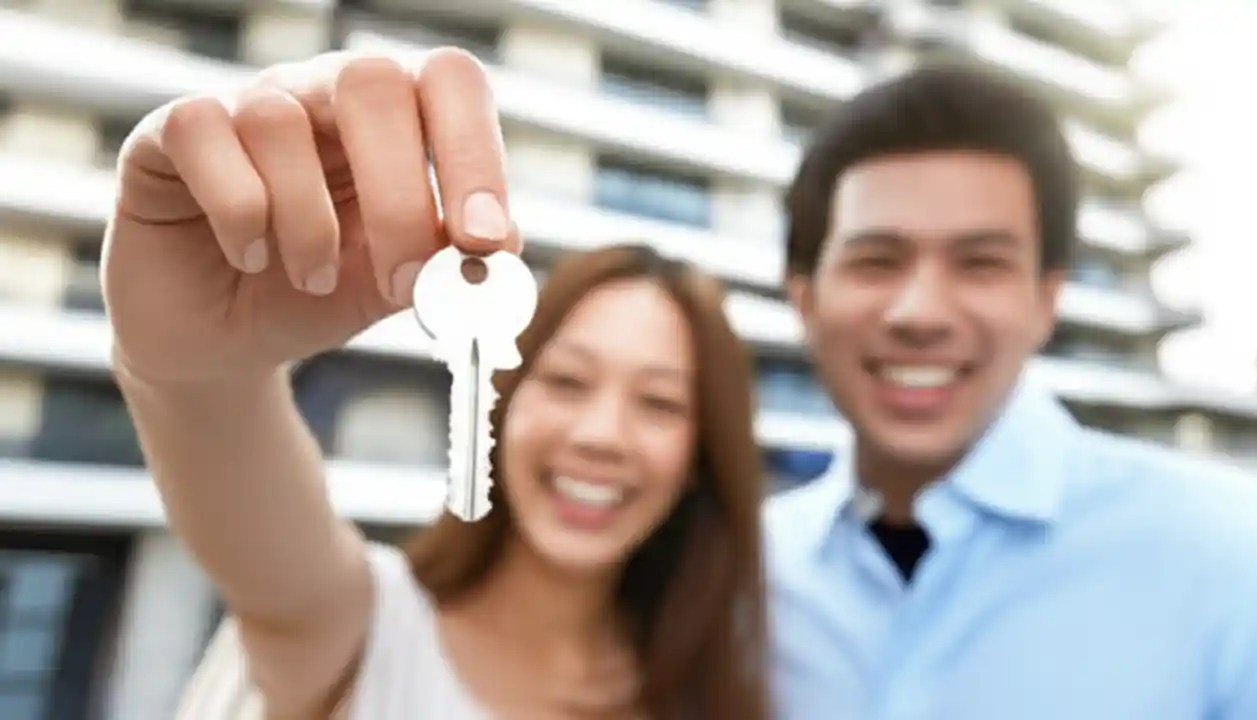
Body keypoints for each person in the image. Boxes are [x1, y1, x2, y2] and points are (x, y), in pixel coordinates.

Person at [103, 49, 770, 719]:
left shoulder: (716, 696)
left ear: (699, 453)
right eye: (567, 382)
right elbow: (252, 528)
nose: (600, 435)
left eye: (658, 403)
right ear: (506, 401)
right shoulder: (363, 632)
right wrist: (199, 375)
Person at [766, 63, 1257, 719]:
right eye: (877, 261)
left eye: (981, 264)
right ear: (804, 297)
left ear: (1047, 299)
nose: (921, 313)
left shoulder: (1245, 558)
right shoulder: (738, 579)